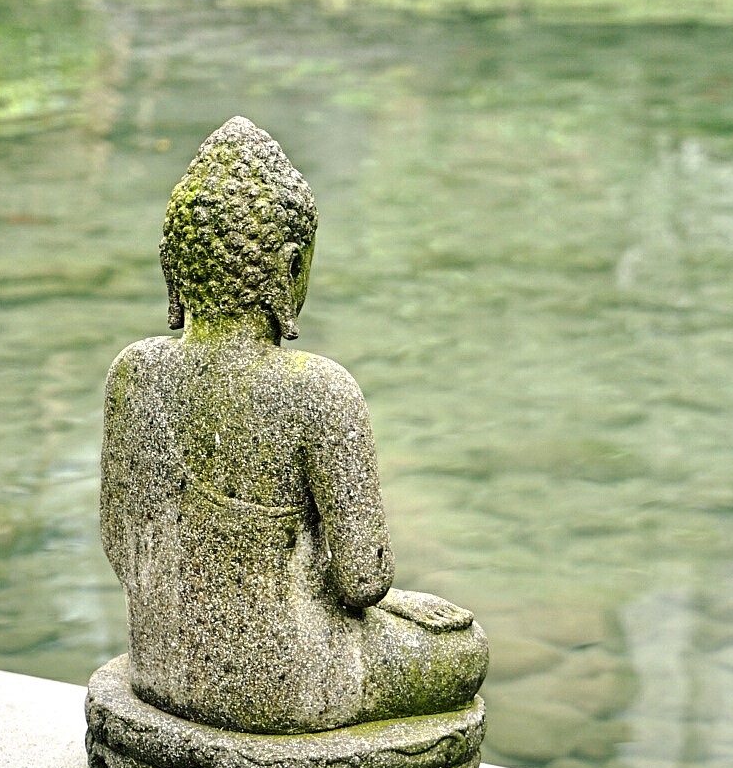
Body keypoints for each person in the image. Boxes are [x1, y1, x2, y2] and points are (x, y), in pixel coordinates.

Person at [100, 116, 486, 735]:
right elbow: (363, 580)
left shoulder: (134, 372)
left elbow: (122, 547)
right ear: (289, 268)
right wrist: (394, 608)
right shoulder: (318, 389)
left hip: (161, 666)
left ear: (173, 269)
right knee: (465, 652)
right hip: (295, 683)